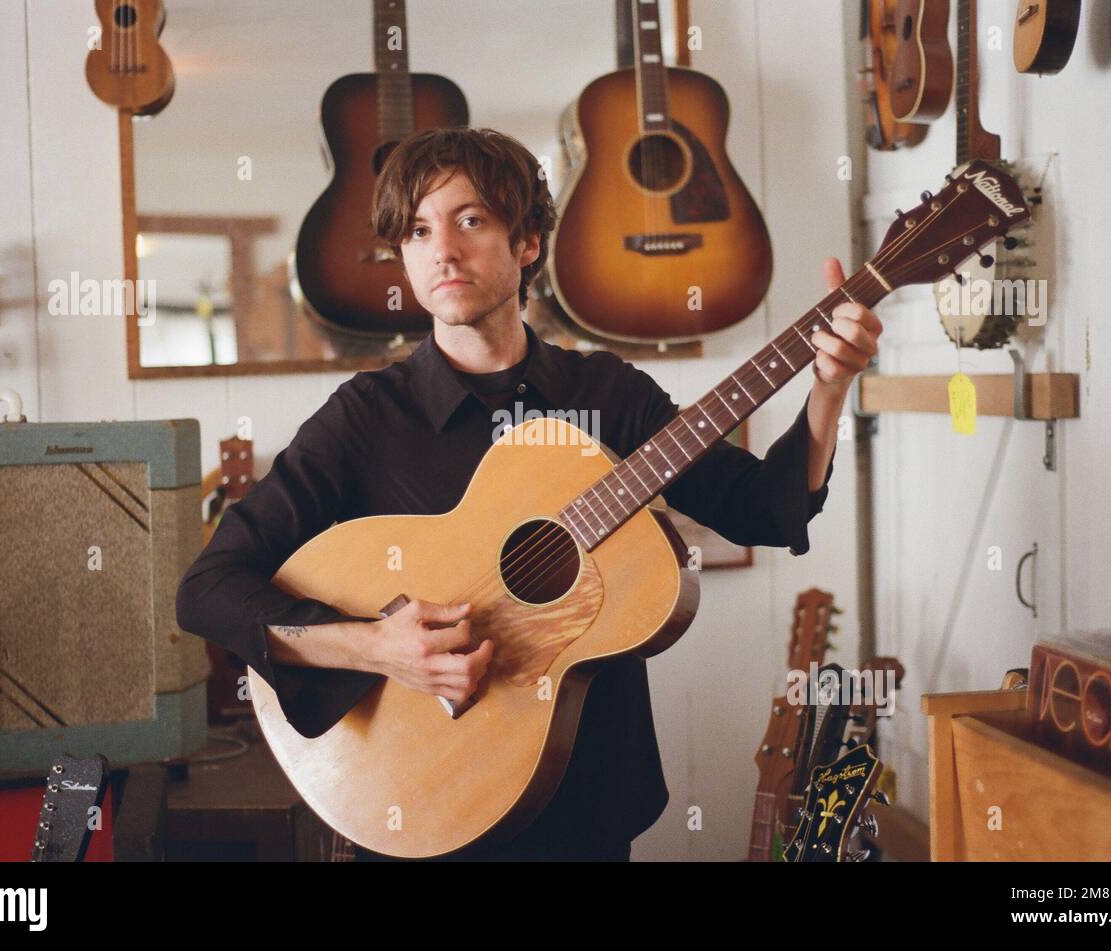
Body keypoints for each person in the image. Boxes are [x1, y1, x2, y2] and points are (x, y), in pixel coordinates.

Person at [175, 126, 882, 861]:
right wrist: (379, 648)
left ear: (529, 244)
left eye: (470, 220)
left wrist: (828, 391)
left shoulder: (608, 395)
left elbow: (763, 509)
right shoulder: (366, 418)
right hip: (415, 797)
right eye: (417, 231)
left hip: (584, 801)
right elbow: (208, 589)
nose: (442, 250)